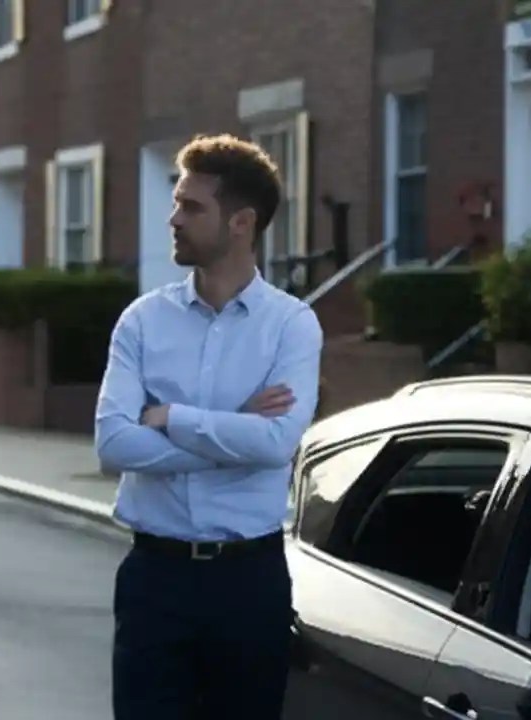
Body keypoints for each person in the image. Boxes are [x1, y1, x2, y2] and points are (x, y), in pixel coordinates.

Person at [94, 133, 323, 720]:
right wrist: (234, 430)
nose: (174, 219)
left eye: (191, 207)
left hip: (249, 584)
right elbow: (114, 443)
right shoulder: (142, 321)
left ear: (242, 222)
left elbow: (277, 444)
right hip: (154, 580)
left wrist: (174, 420)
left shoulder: (292, 326)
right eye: (177, 202)